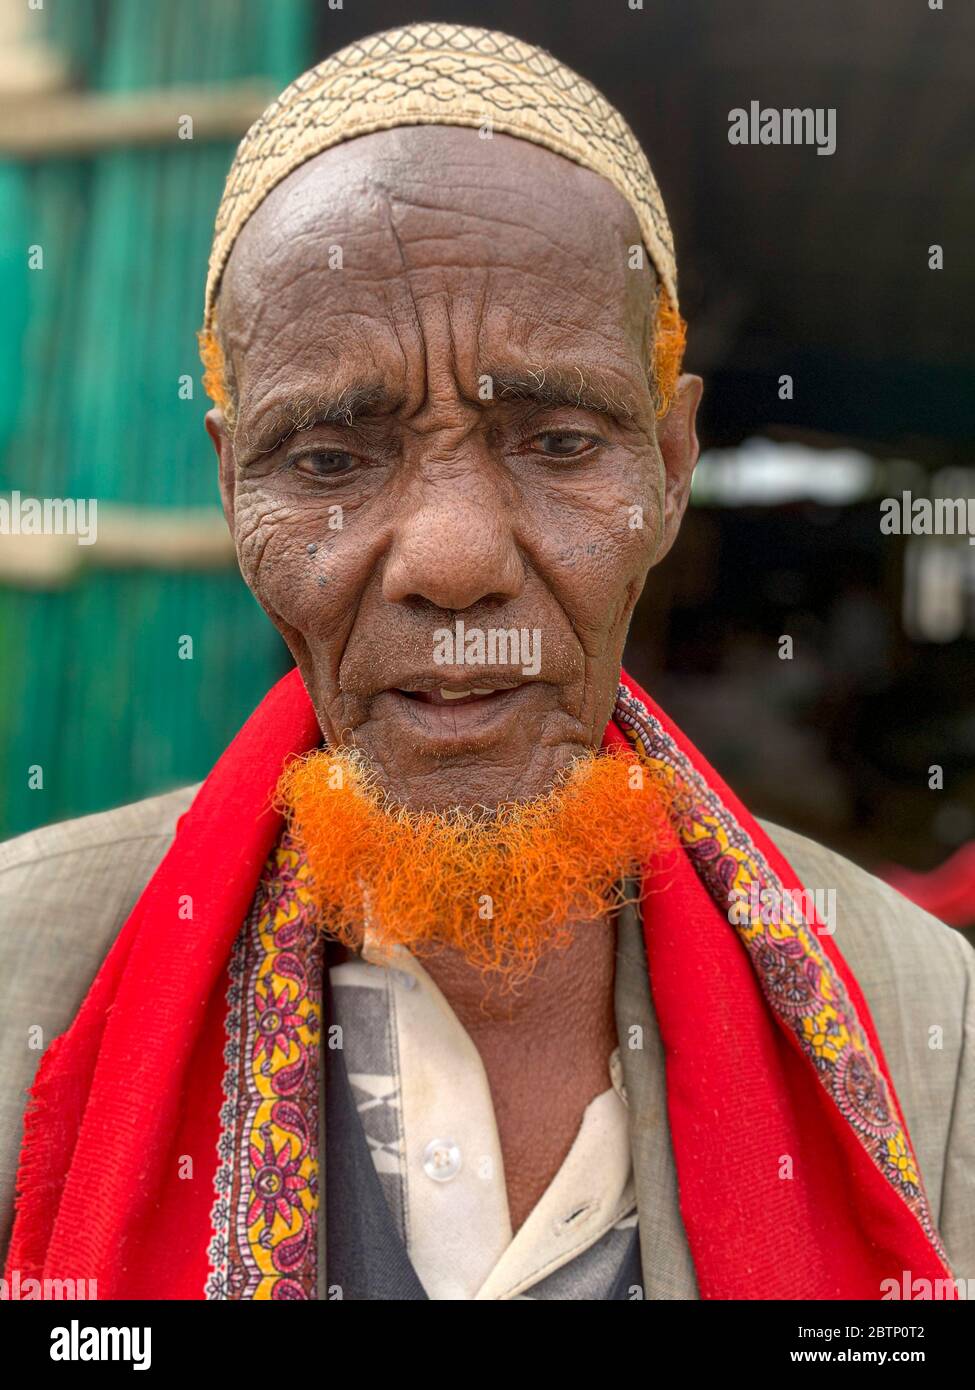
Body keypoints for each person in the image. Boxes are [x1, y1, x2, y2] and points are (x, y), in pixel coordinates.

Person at [1, 22, 972, 1302]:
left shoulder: (928, 1027)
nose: (451, 561)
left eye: (558, 441)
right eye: (332, 462)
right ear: (232, 486)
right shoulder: (26, 972)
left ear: (672, 469)